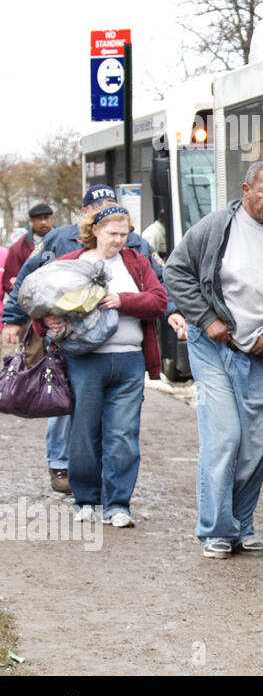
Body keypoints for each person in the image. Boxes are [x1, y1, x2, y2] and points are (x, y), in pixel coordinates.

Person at [164, 161, 263, 559]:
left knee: (258, 444)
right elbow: (176, 272)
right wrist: (206, 319)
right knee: (224, 436)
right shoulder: (215, 227)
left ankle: (242, 525)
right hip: (215, 347)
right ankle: (215, 529)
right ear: (246, 189)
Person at [2, 185, 179, 494]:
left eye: (111, 206)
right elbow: (31, 282)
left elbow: (155, 283)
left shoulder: (134, 244)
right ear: (87, 217)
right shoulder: (60, 240)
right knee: (63, 402)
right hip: (72, 345)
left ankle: (112, 496)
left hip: (124, 353)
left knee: (118, 429)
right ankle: (61, 464)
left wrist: (172, 312)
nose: (118, 236)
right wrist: (14, 319)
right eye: (98, 210)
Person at [40, 206, 168, 527]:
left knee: (123, 434)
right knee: (84, 432)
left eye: (124, 235)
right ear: (94, 230)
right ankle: (86, 499)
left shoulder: (137, 263)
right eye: (113, 234)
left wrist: (122, 300)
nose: (119, 241)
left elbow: (158, 300)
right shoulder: (71, 264)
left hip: (129, 360)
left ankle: (118, 504)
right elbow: (38, 299)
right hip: (84, 361)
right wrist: (45, 320)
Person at [2, 202, 54, 294]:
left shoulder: (64, 241)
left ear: (51, 219)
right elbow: (9, 283)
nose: (43, 222)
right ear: (31, 221)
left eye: (46, 218)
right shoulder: (18, 249)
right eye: (39, 218)